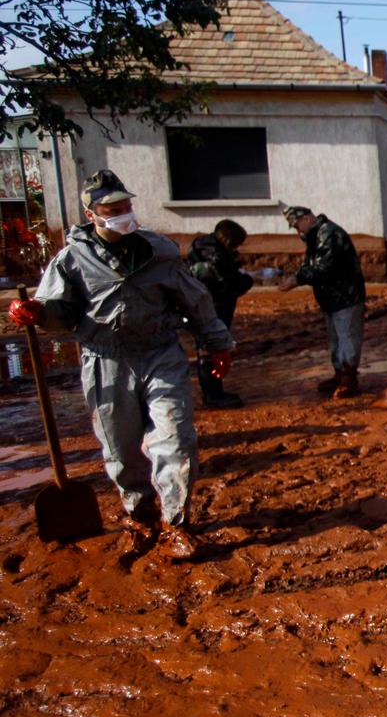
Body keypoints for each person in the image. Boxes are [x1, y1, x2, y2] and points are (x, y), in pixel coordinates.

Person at [8, 169, 233, 561]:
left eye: (127, 206)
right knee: (121, 447)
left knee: (176, 438)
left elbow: (194, 300)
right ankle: (141, 517)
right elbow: (60, 313)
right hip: (106, 361)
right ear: (91, 213)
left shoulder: (158, 251)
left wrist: (217, 343)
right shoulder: (72, 259)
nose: (123, 214)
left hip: (161, 354)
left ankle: (177, 524)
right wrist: (36, 313)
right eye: (113, 209)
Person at [277, 206, 365, 399]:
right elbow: (311, 263)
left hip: (346, 296)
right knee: (335, 340)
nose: (298, 231)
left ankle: (349, 380)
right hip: (332, 298)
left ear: (307, 218)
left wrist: (296, 279)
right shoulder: (316, 236)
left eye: (297, 225)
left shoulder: (329, 234)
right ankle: (339, 374)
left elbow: (323, 267)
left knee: (347, 338)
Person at [185, 219, 254, 408]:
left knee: (211, 349)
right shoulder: (216, 258)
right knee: (210, 350)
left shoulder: (201, 248)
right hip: (212, 310)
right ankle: (213, 395)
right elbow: (229, 285)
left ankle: (215, 391)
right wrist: (247, 280)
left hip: (202, 307)